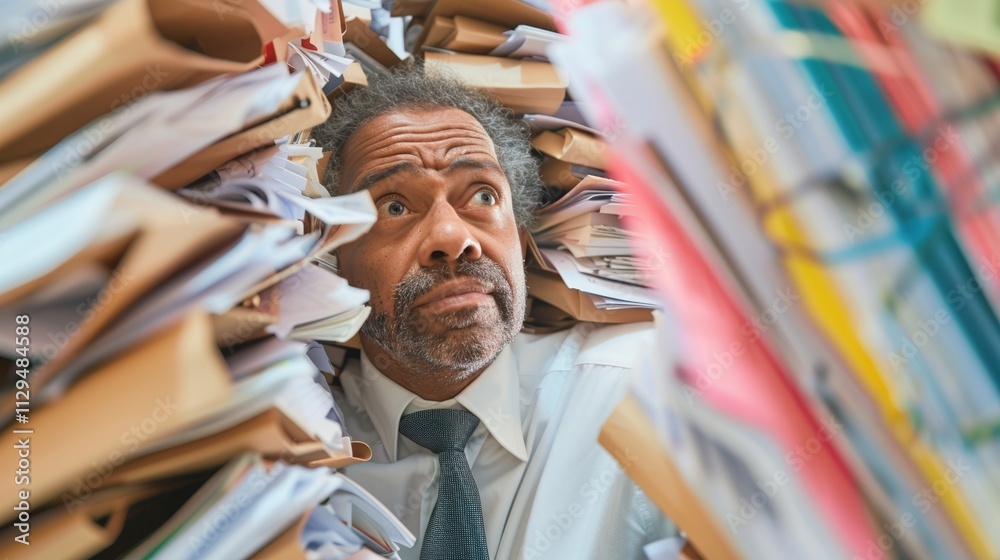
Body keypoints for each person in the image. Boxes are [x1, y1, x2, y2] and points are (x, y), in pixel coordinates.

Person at [315, 62, 674, 560]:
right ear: (333, 259)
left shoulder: (647, 394)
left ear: (521, 243)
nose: (453, 239)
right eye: (394, 207)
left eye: (483, 196)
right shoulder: (302, 454)